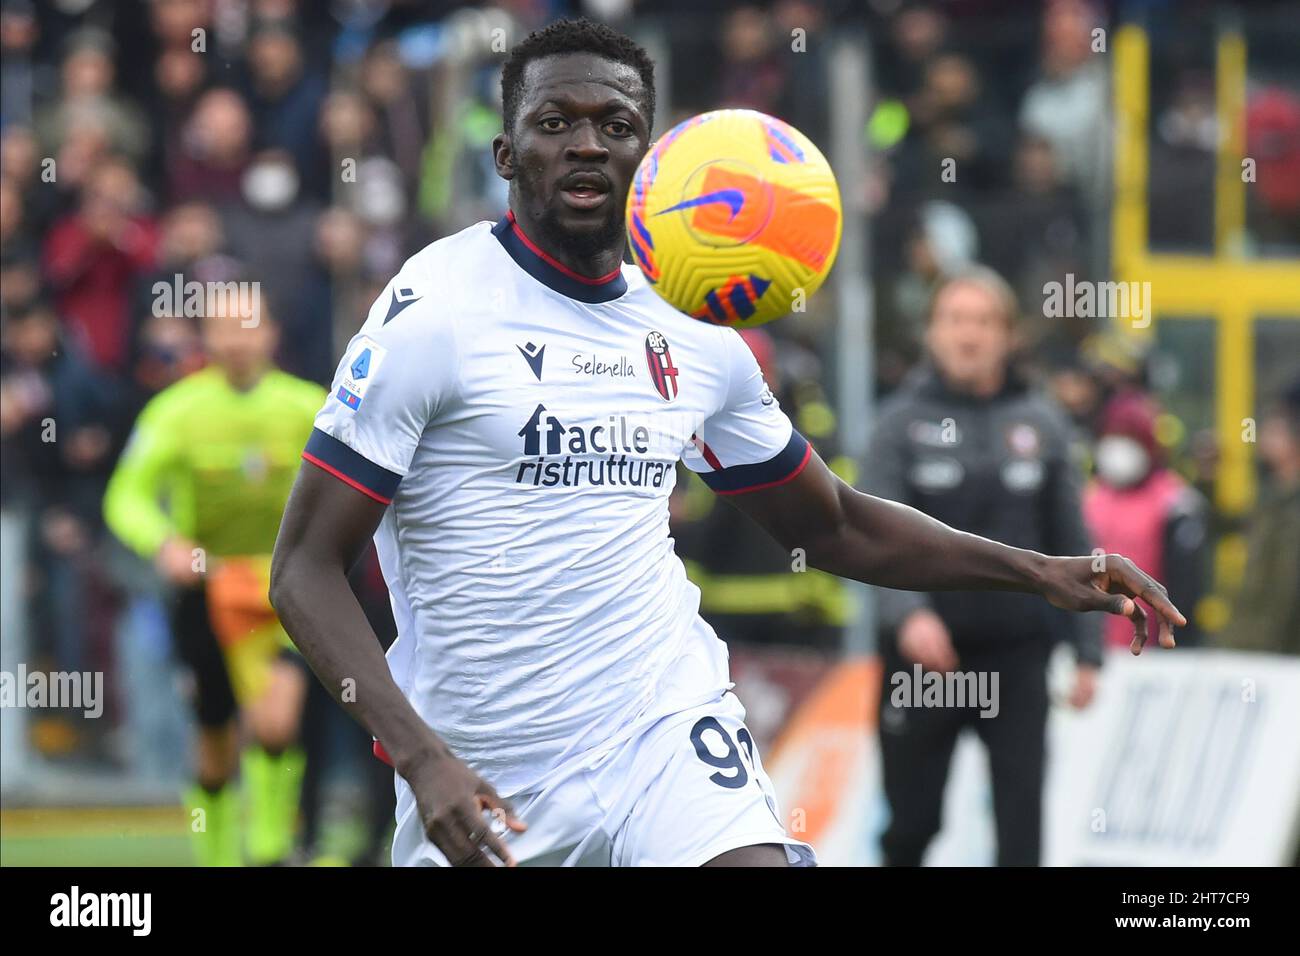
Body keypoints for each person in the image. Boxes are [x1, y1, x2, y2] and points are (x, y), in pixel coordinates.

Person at [269, 18, 1183, 869]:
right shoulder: (436, 312)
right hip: (483, 765)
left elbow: (834, 524)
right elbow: (304, 569)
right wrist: (420, 758)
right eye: (555, 123)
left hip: (660, 729)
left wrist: (1042, 571)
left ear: (650, 155)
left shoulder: (698, 332)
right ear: (508, 153)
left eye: (616, 125)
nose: (587, 144)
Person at [865, 268, 1104, 866]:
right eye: (954, 320)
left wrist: (1090, 650)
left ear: (1006, 335)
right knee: (911, 826)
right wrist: (908, 616)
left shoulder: (1042, 423)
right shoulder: (896, 424)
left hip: (1018, 656)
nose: (968, 335)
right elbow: (871, 539)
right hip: (924, 659)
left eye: (982, 321)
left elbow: (1072, 540)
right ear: (932, 333)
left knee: (1021, 832)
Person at [104, 294, 323, 865]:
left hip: (281, 590)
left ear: (272, 332)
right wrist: (166, 543)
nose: (237, 339)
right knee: (215, 744)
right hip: (205, 590)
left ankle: (272, 849)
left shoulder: (307, 406)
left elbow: (345, 485)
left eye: (249, 325)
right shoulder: (176, 410)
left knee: (276, 722)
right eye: (223, 327)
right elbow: (125, 496)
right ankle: (218, 857)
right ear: (205, 335)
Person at [1083, 390, 1208, 649]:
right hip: (1092, 649)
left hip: (1151, 652)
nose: (1117, 448)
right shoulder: (1090, 497)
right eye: (1111, 437)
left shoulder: (1176, 503)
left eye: (1127, 438)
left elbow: (1185, 590)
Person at [1218, 377, 1300, 654]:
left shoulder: (1289, 508)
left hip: (1277, 651)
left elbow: (1283, 590)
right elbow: (1223, 522)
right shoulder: (1270, 501)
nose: (1262, 440)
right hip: (1255, 649)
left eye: (1274, 434)